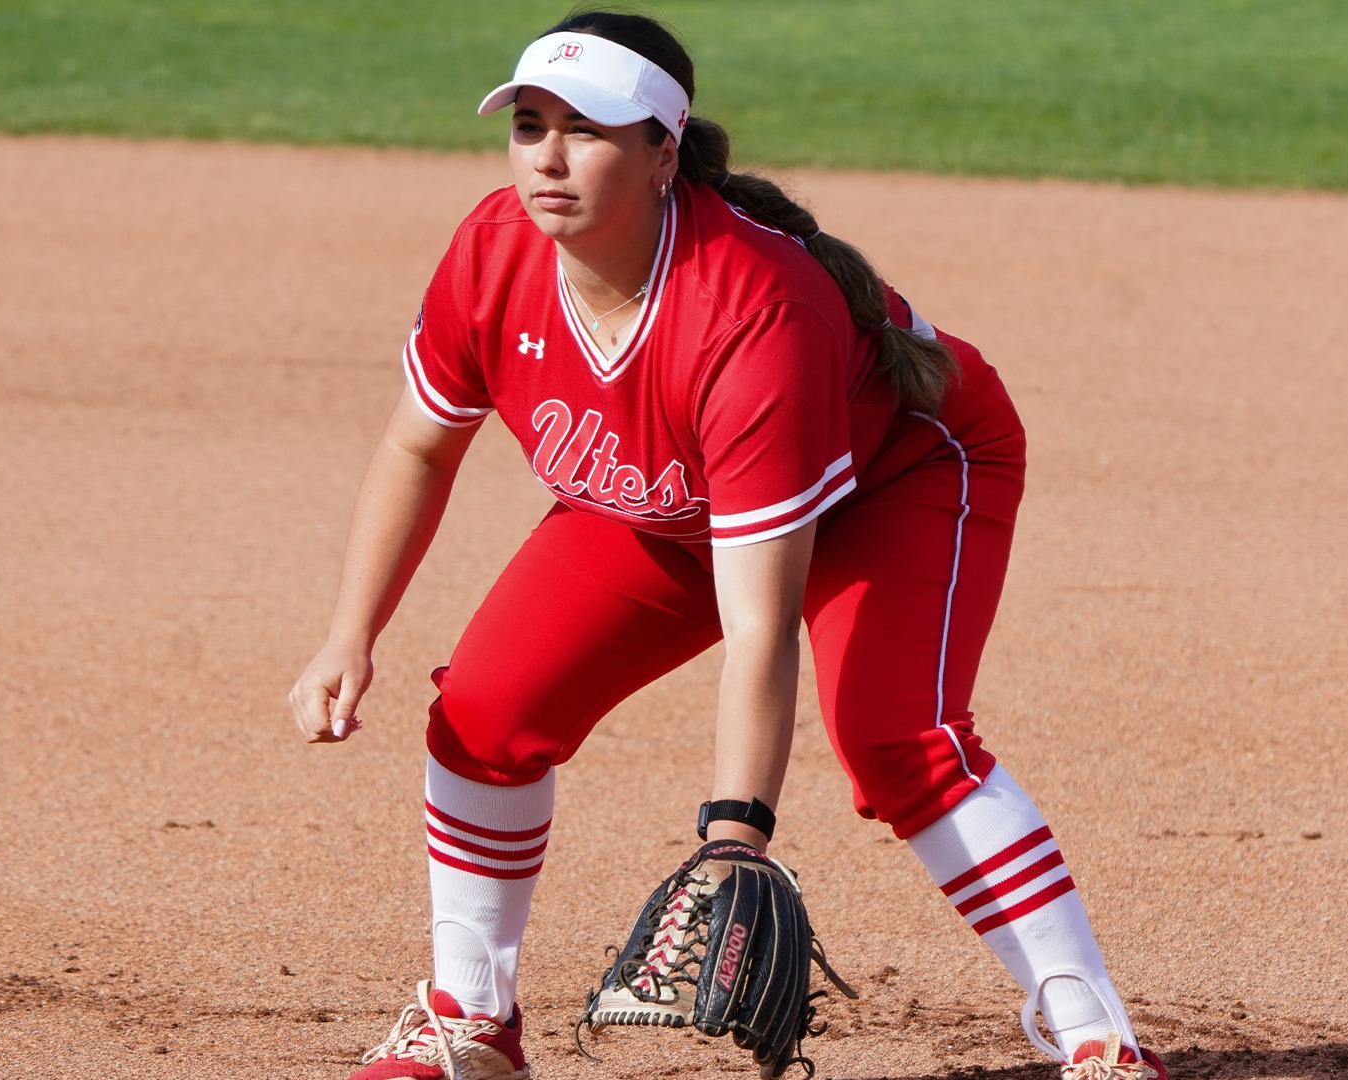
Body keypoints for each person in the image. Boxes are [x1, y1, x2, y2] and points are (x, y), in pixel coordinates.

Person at [288, 12, 1168, 1080]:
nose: (548, 158)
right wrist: (350, 632)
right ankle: (468, 1022)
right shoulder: (493, 252)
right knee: (487, 712)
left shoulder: (753, 312)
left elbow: (760, 624)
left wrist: (735, 831)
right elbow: (418, 446)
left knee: (897, 742)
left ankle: (1097, 1042)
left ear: (665, 154)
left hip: (897, 477)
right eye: (529, 126)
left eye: (587, 130)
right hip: (678, 501)